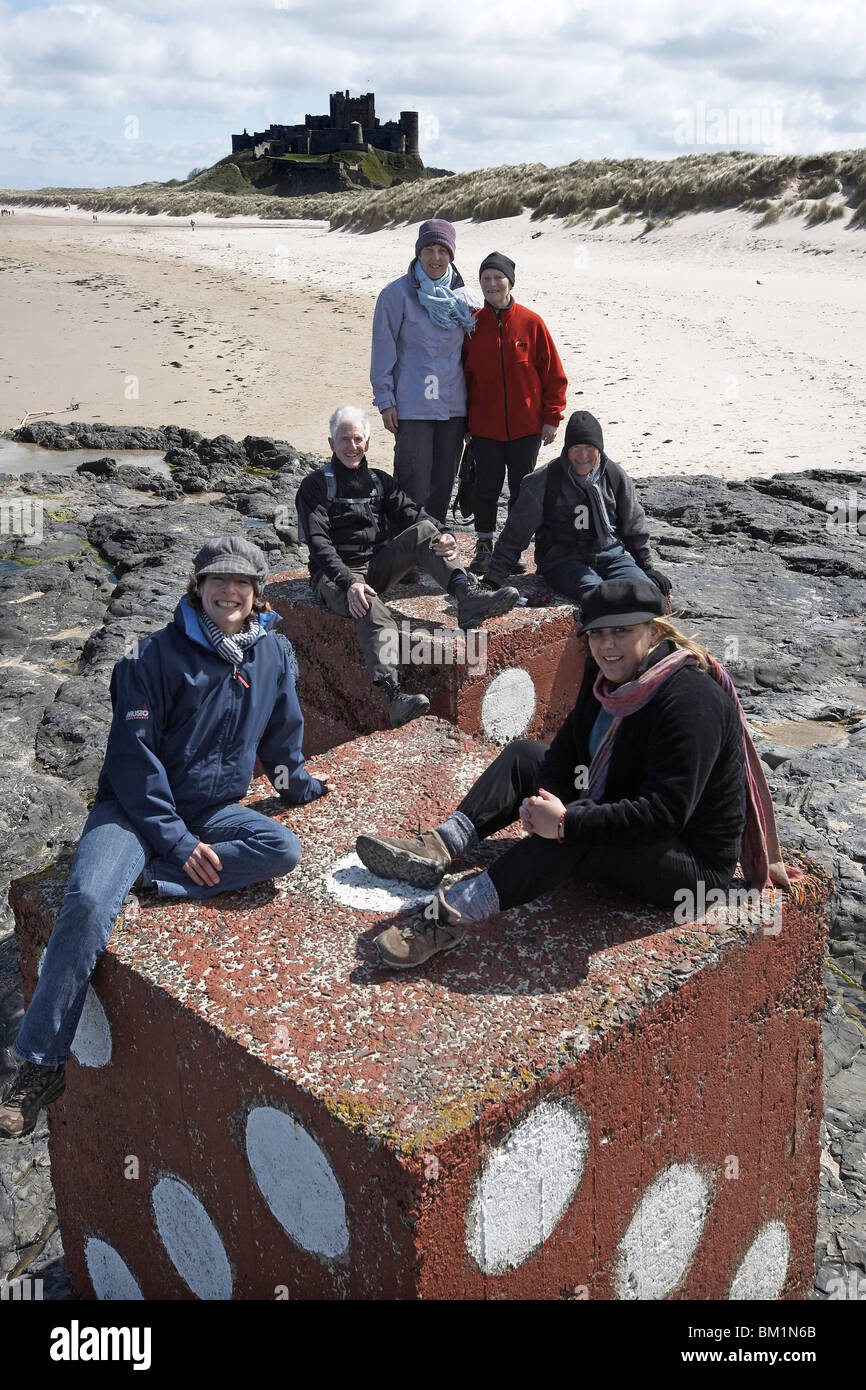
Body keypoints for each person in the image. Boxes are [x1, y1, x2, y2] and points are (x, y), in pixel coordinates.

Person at [0, 536, 327, 1138]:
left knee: (282, 848)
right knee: (91, 901)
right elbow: (132, 761)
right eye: (216, 582)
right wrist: (175, 843)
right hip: (131, 811)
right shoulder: (148, 656)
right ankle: (39, 1062)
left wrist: (298, 783)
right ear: (197, 588)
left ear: (256, 596)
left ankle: (148, 879)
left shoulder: (273, 653)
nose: (228, 593)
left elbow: (283, 733)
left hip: (211, 810)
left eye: (241, 584)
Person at [355, 575, 800, 969]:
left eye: (622, 632)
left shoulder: (689, 699)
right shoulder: (605, 674)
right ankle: (441, 846)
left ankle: (449, 916)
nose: (607, 646)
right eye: (597, 634)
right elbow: (567, 747)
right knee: (526, 754)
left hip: (687, 864)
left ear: (655, 630)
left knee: (575, 832)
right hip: (620, 802)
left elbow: (665, 813)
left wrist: (566, 823)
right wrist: (543, 803)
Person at [296, 406, 520, 728]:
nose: (351, 446)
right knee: (369, 607)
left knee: (427, 532)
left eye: (358, 439)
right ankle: (393, 696)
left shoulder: (379, 482)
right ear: (331, 443)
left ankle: (466, 596)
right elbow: (318, 545)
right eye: (344, 439)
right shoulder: (314, 487)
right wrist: (349, 583)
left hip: (374, 565)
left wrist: (444, 534)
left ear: (368, 443)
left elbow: (414, 515)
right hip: (334, 576)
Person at [482, 410, 671, 607]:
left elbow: (634, 525)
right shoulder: (543, 481)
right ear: (566, 449)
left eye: (590, 447)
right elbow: (516, 533)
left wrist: (647, 568)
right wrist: (493, 579)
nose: (582, 456)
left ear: (600, 448)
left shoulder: (614, 476)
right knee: (601, 599)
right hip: (563, 561)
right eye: (576, 448)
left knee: (650, 598)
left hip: (612, 556)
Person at [461, 252, 568, 575]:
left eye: (498, 278)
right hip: (484, 427)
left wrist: (552, 417)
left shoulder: (531, 323)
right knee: (486, 488)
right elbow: (463, 379)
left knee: (523, 490)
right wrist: (465, 423)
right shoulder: (472, 326)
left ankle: (515, 548)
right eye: (486, 279)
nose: (492, 284)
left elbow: (553, 374)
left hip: (526, 427)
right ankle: (483, 548)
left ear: (510, 281)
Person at [370, 219, 478, 524]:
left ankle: (435, 547)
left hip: (453, 405)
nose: (435, 258)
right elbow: (383, 350)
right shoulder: (395, 295)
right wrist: (385, 400)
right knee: (411, 478)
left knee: (443, 481)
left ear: (451, 255)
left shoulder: (466, 299)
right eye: (428, 249)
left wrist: (476, 410)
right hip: (412, 404)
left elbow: (473, 358)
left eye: (442, 250)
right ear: (418, 253)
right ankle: (407, 544)